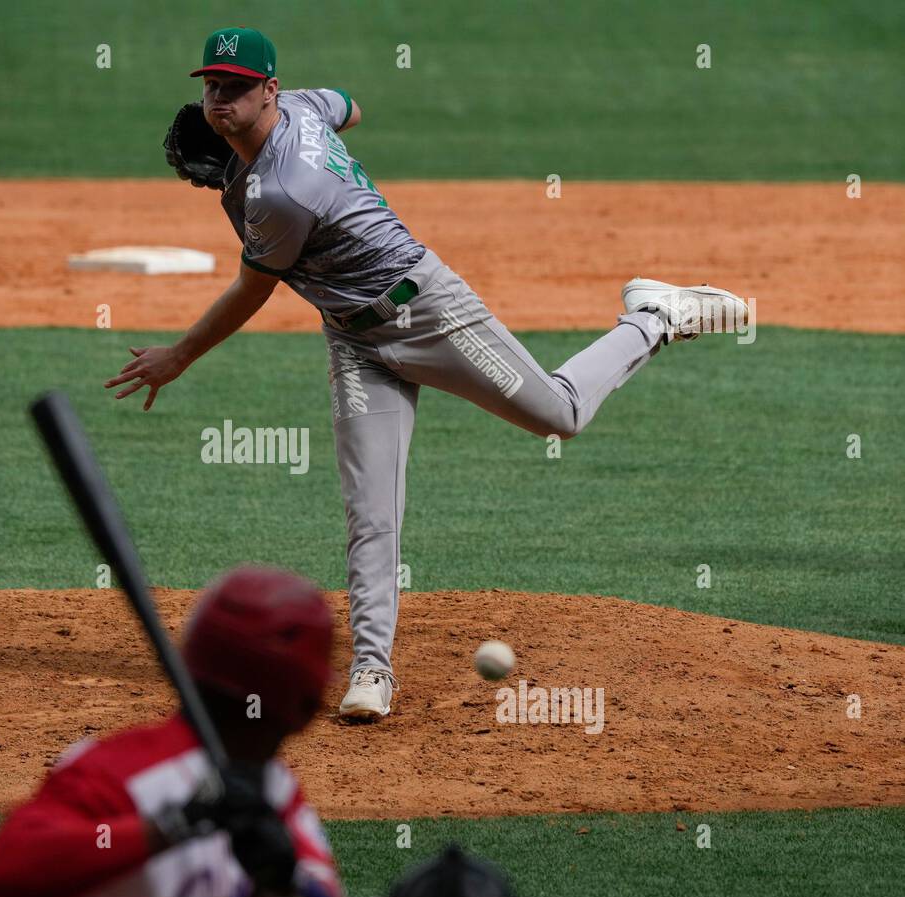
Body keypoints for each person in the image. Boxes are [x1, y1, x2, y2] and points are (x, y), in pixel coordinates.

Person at [105, 26, 750, 722]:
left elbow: (252, 291)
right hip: (354, 339)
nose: (218, 99)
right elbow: (348, 104)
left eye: (235, 87)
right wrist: (273, 144)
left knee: (557, 415)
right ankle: (373, 672)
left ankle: (654, 317)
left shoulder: (283, 191)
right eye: (211, 87)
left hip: (428, 313)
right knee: (370, 511)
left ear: (269, 89)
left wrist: (177, 357)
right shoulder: (303, 108)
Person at [0, 565, 342, 897]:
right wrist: (173, 825)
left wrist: (283, 882)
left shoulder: (273, 790)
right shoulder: (123, 774)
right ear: (306, 707)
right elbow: (5, 872)